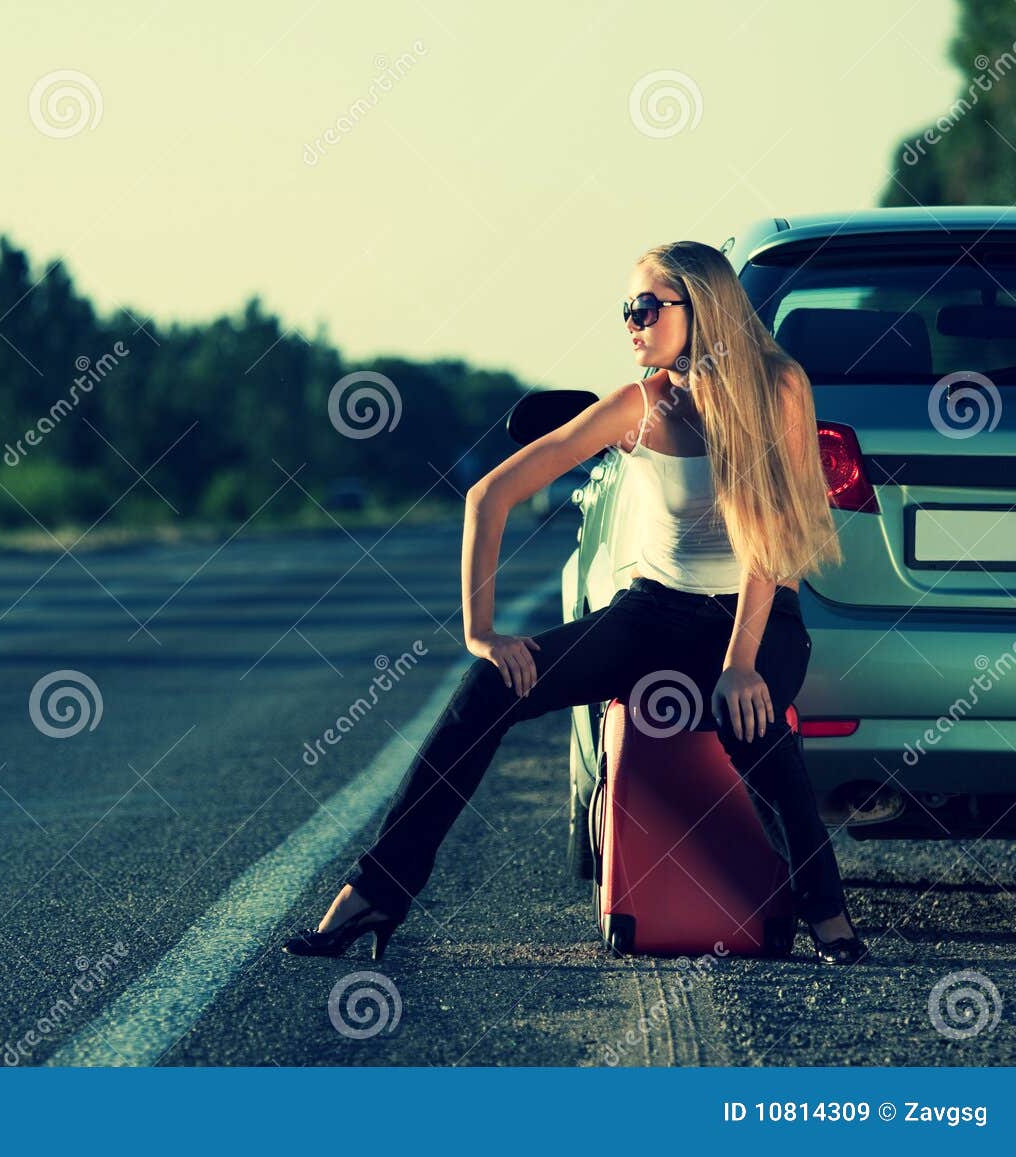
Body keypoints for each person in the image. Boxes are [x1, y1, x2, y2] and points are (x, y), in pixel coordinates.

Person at [283, 240, 867, 966]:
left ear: (701, 306)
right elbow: (488, 494)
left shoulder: (777, 388)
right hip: (654, 613)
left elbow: (772, 538)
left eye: (647, 307)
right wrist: (482, 633)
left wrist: (741, 662)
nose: (631, 322)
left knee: (745, 720)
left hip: (756, 614)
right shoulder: (642, 406)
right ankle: (374, 891)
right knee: (489, 688)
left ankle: (826, 911)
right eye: (627, 309)